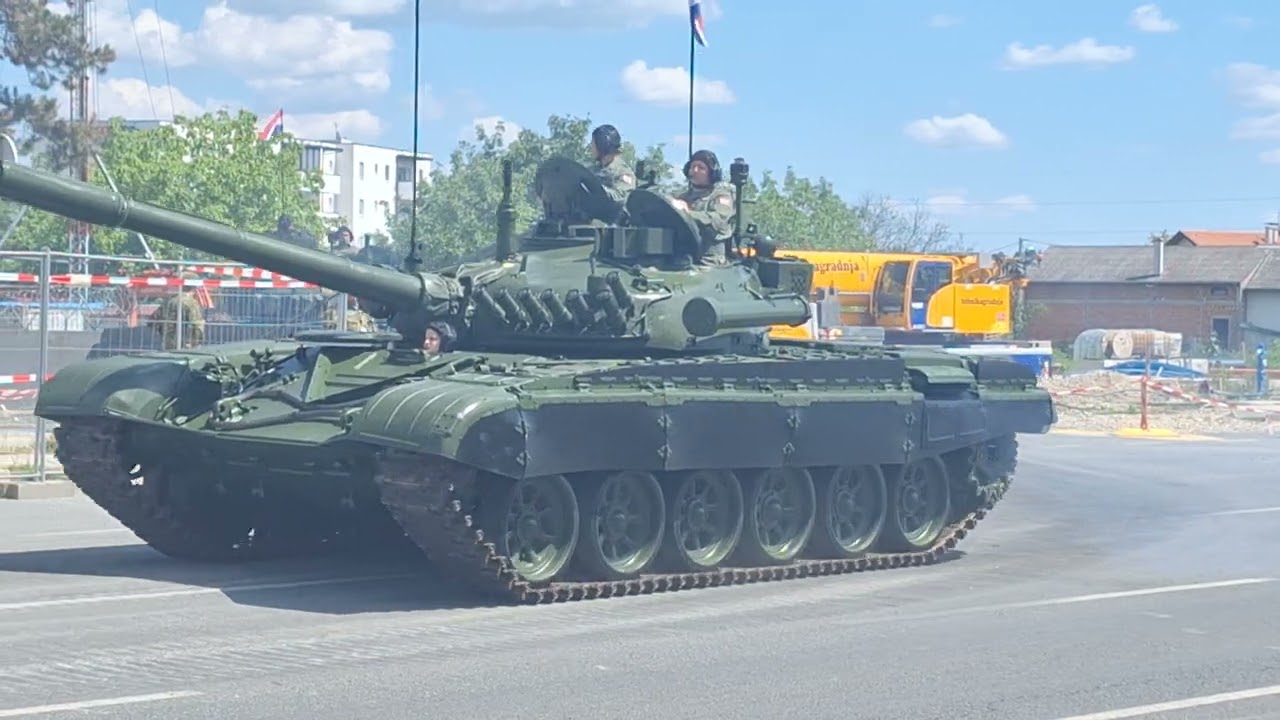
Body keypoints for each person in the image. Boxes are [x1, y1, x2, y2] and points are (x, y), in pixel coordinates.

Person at [671, 149, 736, 263]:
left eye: (701, 168)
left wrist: (686, 214)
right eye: (692, 167)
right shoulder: (683, 197)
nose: (695, 170)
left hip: (709, 259)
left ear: (712, 172)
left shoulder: (721, 196)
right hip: (682, 257)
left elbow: (717, 220)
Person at [148, 272, 206, 349]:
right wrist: (195, 342)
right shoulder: (191, 303)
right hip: (185, 345)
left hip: (168, 343)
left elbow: (153, 320)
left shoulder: (169, 301)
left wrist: (163, 333)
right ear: (194, 286)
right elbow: (197, 325)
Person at [589, 124, 635, 204]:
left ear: (602, 145)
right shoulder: (592, 170)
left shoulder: (623, 173)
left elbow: (622, 197)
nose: (591, 147)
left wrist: (599, 190)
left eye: (593, 144)